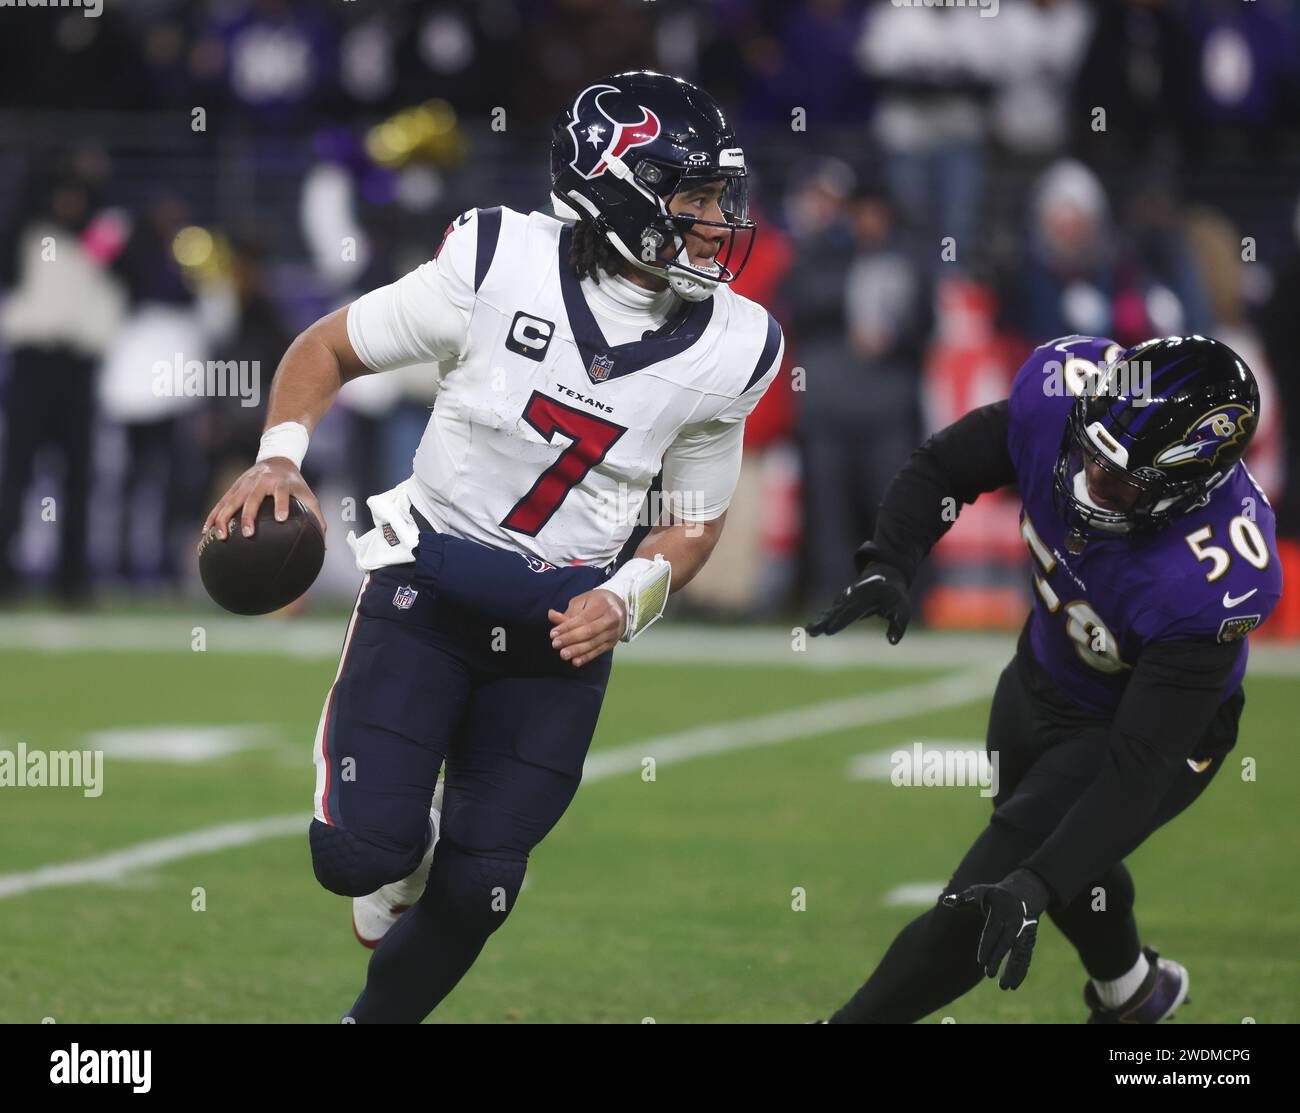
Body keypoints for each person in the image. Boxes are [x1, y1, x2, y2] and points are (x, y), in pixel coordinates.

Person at [201, 71, 782, 1023]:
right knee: (360, 854)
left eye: (722, 196)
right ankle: (406, 849)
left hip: (558, 623)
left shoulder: (736, 344)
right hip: (428, 579)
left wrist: (628, 597)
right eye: (695, 197)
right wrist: (278, 460)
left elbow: (694, 518)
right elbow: (327, 348)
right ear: (618, 188)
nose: (720, 220)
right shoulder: (497, 257)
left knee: (481, 891)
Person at [809, 334, 1281, 1023]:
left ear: (1189, 488)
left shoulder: (1216, 573)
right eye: (1092, 454)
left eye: (1121, 481)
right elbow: (945, 466)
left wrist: (1032, 883)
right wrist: (890, 558)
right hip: (1042, 670)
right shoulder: (1060, 398)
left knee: (989, 895)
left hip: (1140, 729)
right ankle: (1134, 992)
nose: (1091, 482)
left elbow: (1135, 769)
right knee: (1060, 855)